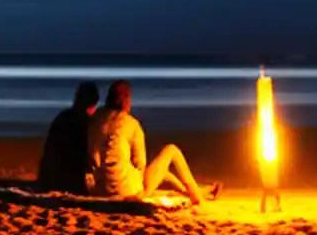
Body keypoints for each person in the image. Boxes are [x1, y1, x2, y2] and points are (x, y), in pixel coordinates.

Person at [87, 79, 220, 205]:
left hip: (99, 189)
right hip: (126, 191)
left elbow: (92, 157)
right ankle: (198, 199)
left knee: (161, 173)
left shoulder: (96, 119)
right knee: (171, 150)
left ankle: (198, 191)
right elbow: (141, 164)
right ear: (126, 100)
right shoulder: (132, 124)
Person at [36, 81, 100, 194]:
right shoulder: (87, 124)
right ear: (93, 104)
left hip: (49, 179)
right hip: (70, 182)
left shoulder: (62, 117)